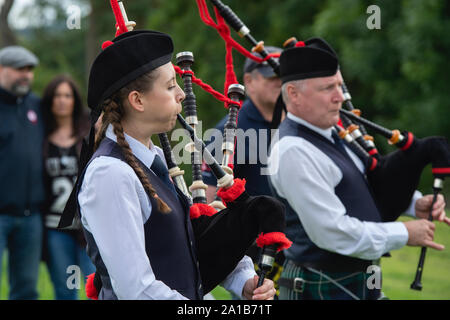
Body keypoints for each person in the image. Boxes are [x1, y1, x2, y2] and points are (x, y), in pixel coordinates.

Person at [72, 30, 275, 300]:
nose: (181, 94)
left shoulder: (152, 158)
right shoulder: (110, 174)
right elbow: (136, 290)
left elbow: (187, 247)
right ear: (137, 100)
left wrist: (243, 281)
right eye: (170, 86)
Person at [267, 38, 449, 300]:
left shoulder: (334, 130)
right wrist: (404, 233)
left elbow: (360, 185)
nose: (339, 96)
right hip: (318, 286)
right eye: (328, 88)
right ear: (294, 94)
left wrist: (413, 204)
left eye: (340, 86)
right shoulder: (293, 151)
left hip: (358, 281)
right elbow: (332, 232)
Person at [203, 46, 282, 203]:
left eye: (284, 76)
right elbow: (209, 205)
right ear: (249, 81)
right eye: (272, 77)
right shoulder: (226, 133)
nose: (280, 82)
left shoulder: (298, 122)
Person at [41, 75, 95, 299]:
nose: (62, 100)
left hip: (88, 227)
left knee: (96, 287)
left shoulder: (89, 134)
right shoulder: (41, 136)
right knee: (64, 290)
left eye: (67, 95)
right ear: (50, 100)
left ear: (75, 100)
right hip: (56, 227)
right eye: (57, 96)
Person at [0, 46, 43, 300]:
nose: (26, 75)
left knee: (26, 288)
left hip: (30, 217)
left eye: (29, 70)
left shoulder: (36, 106)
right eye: (19, 69)